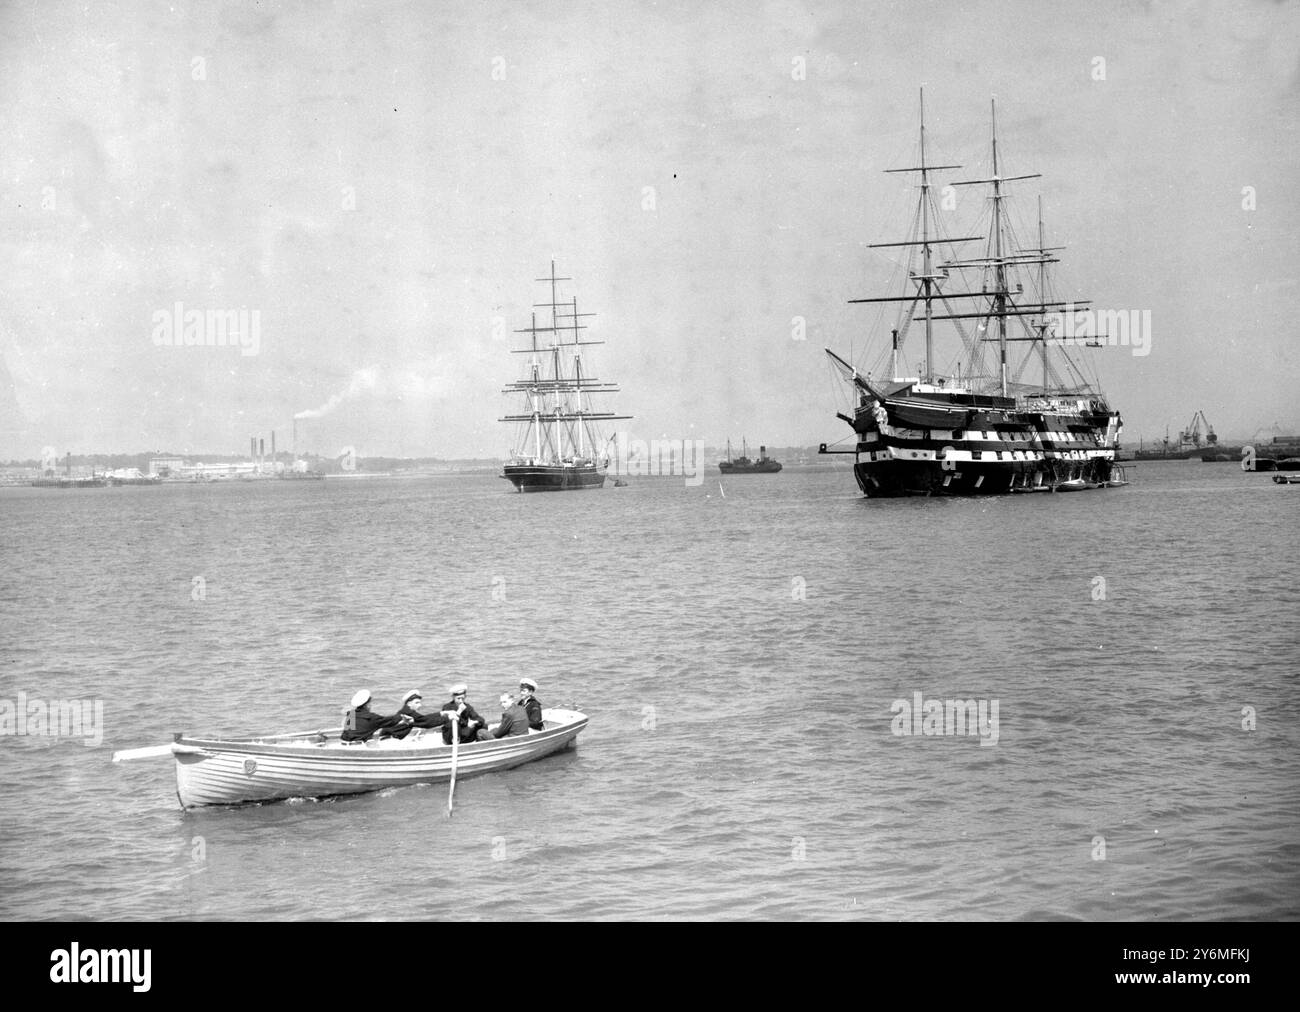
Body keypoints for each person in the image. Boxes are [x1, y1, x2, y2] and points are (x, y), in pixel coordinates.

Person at [341, 689, 414, 743]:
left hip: (344, 745)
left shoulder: (350, 715)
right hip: (360, 749)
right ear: (367, 705)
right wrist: (403, 716)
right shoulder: (371, 718)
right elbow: (391, 721)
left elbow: (350, 733)